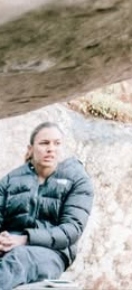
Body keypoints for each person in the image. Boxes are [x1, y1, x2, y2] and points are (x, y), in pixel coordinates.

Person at [0, 122, 94, 290]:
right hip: (9, 245)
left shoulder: (78, 181)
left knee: (19, 259)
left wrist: (25, 239)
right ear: (30, 149)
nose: (51, 149)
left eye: (57, 143)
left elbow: (71, 230)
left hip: (52, 253)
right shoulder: (11, 180)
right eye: (44, 143)